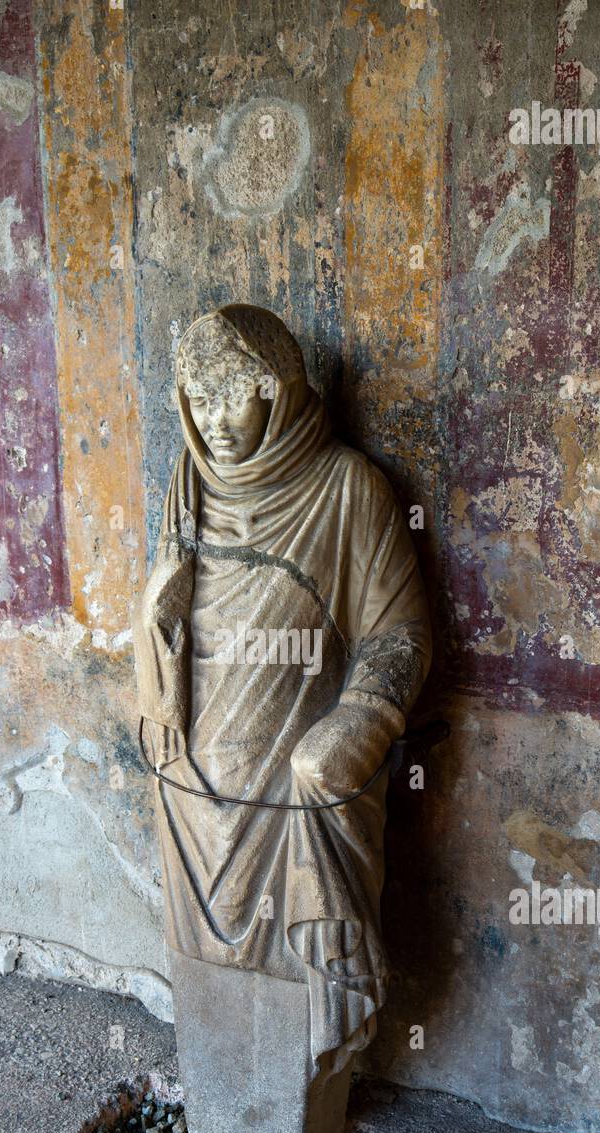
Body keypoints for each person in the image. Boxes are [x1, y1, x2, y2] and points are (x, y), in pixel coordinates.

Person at [136, 303, 431, 1079]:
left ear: (280, 389)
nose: (216, 422)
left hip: (290, 767)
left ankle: (302, 1101)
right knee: (201, 962)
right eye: (199, 400)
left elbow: (399, 635)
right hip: (192, 770)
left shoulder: (349, 490)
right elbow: (166, 608)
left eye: (233, 394)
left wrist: (357, 722)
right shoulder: (187, 486)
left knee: (292, 971)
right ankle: (222, 1098)